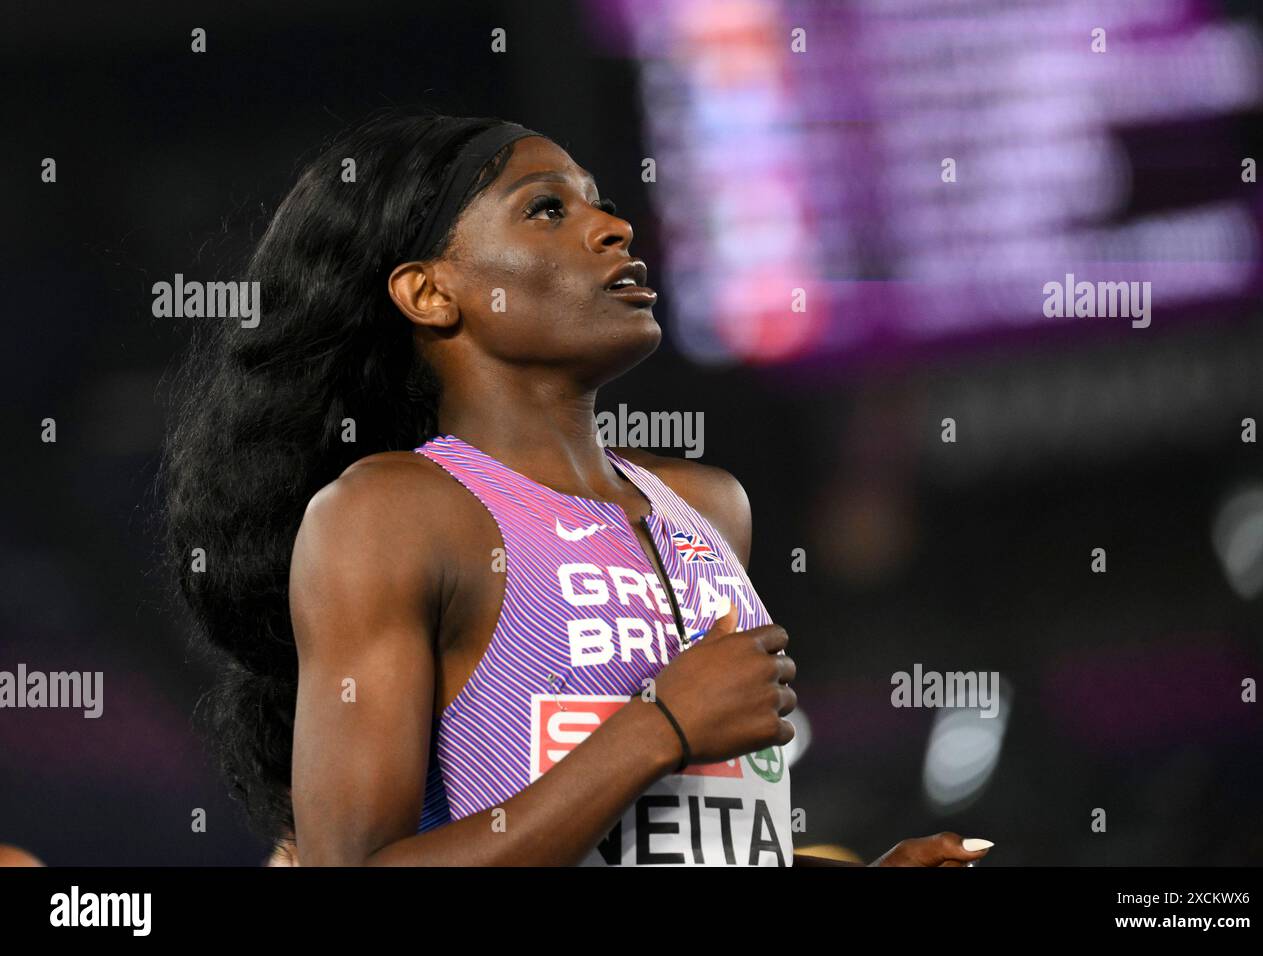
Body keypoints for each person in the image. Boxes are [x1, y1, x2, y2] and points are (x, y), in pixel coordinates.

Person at [165, 107, 994, 867]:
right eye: (547, 209)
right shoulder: (391, 514)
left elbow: (689, 837)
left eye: (595, 201)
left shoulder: (710, 508)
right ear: (429, 292)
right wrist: (657, 729)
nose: (613, 227)